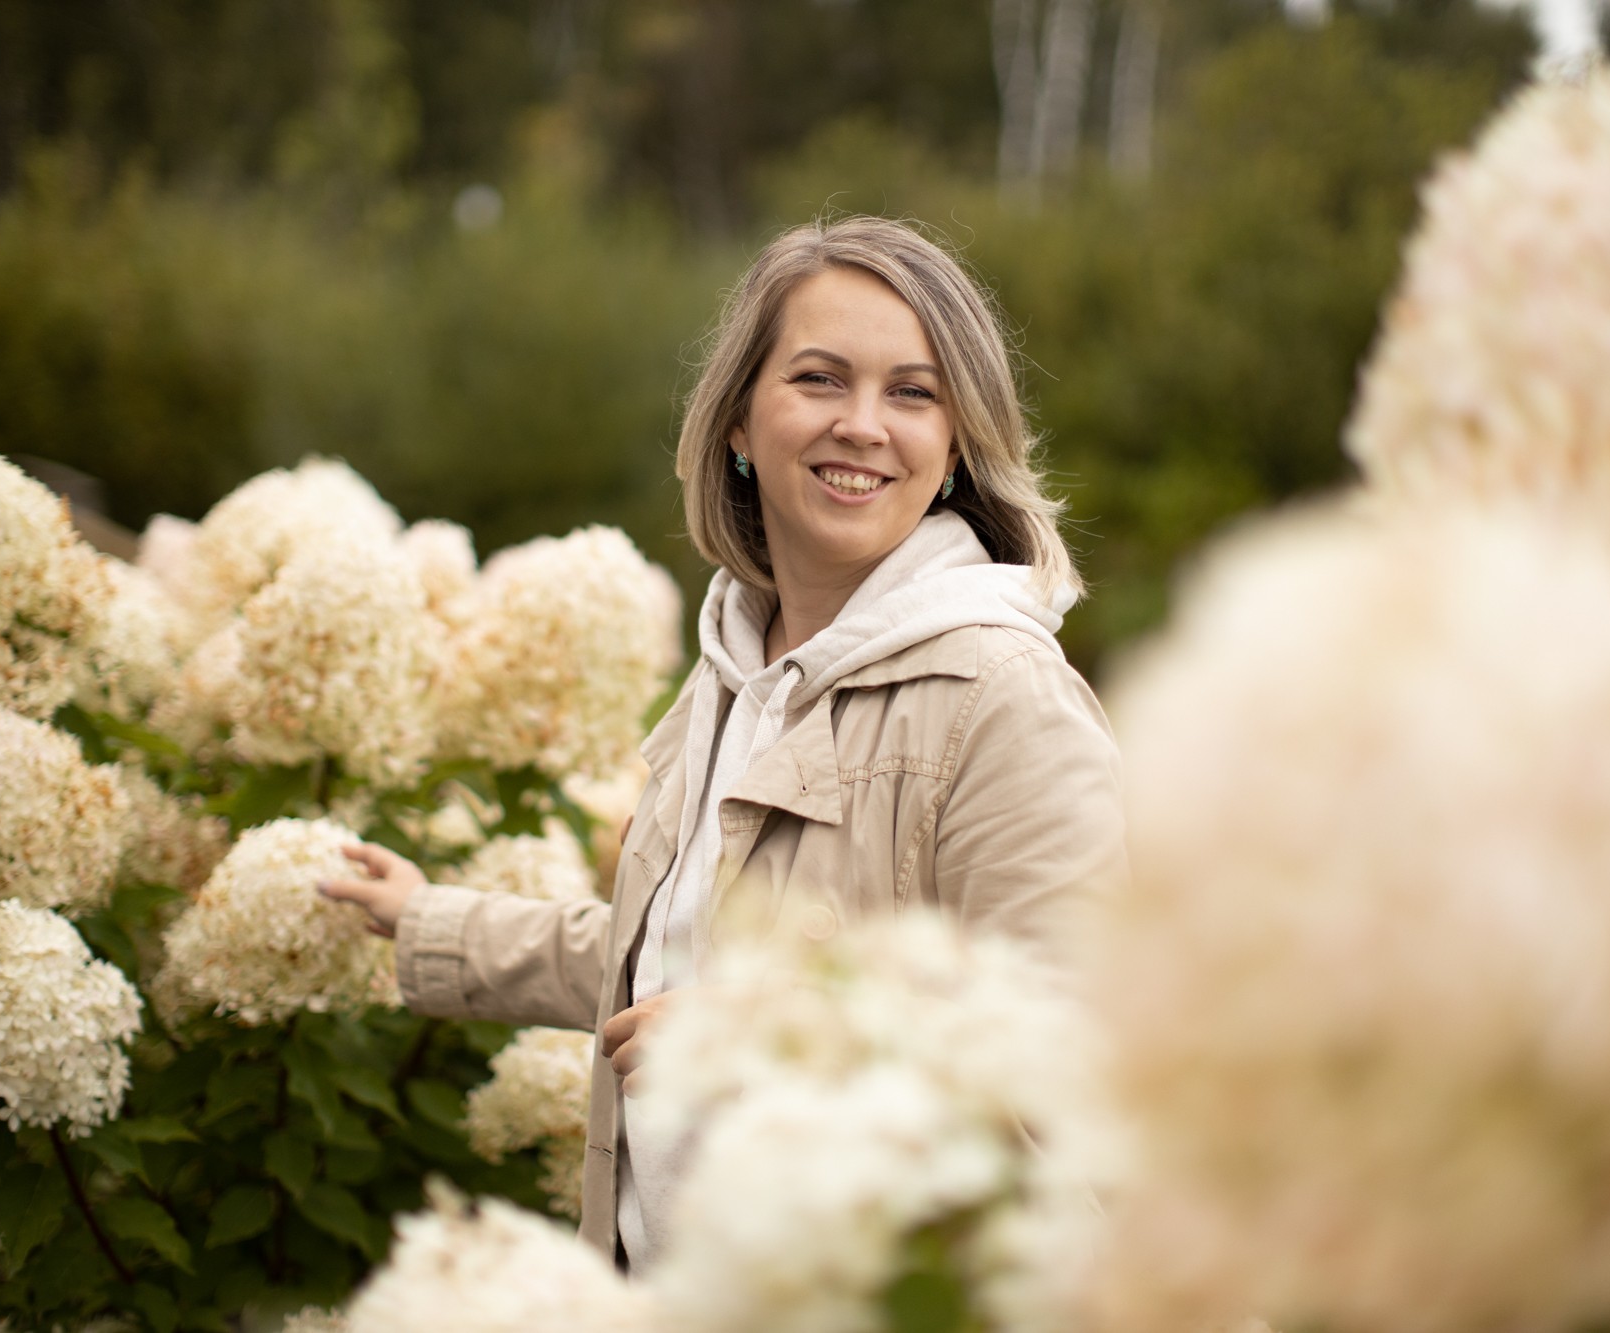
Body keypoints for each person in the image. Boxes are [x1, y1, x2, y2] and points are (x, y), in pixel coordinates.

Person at [318, 215, 1125, 1271]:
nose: (863, 425)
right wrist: (430, 921)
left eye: (912, 392)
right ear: (739, 422)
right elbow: (670, 954)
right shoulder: (733, 673)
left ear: (957, 441)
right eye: (819, 380)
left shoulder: (1004, 696)